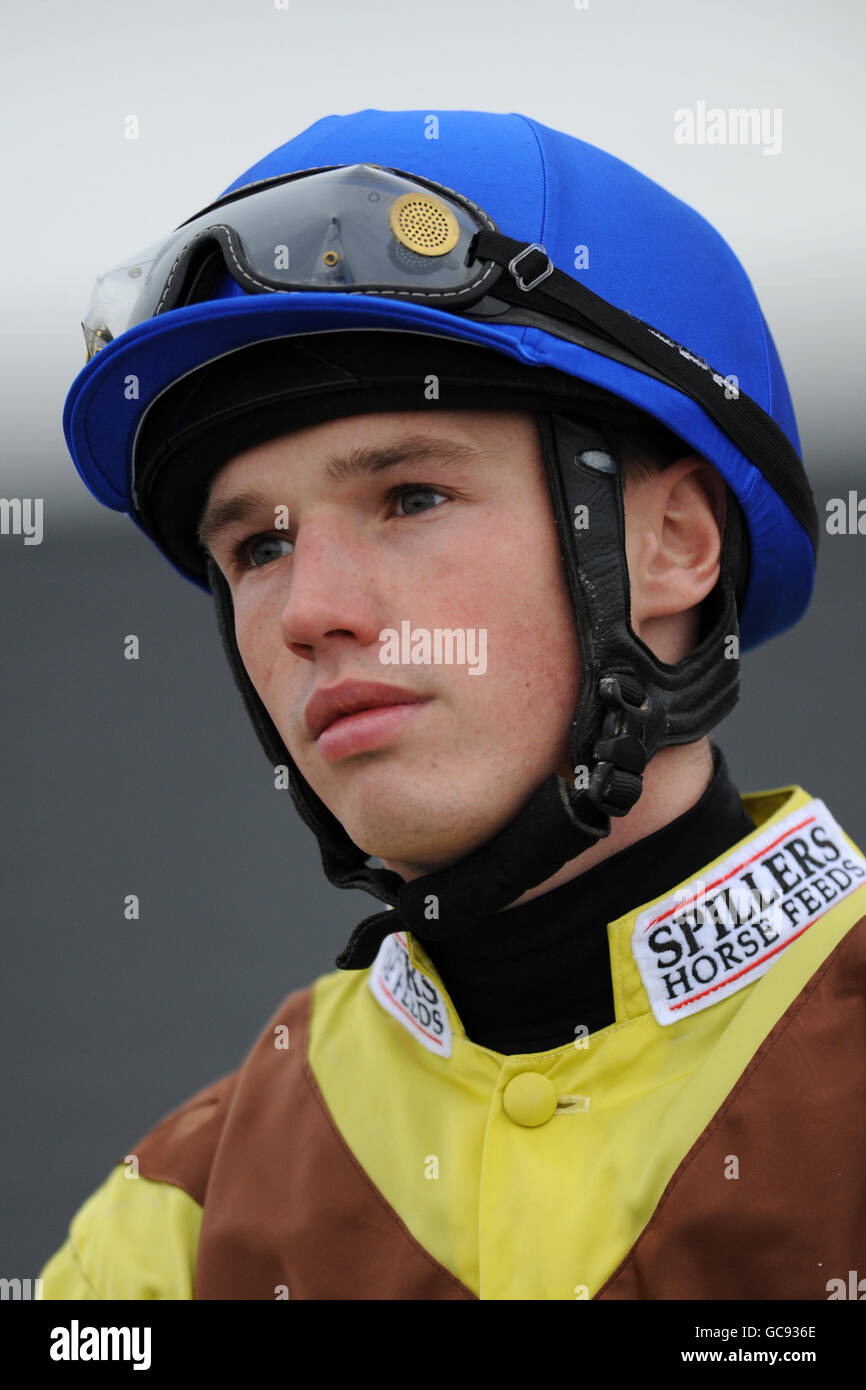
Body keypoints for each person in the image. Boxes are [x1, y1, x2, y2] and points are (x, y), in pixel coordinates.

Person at [39, 108, 866, 1301]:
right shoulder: (173, 1218)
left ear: (676, 543)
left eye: (412, 496)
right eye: (258, 546)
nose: (307, 610)